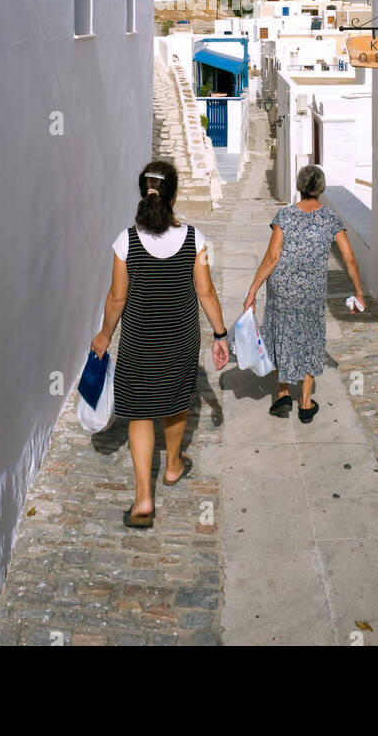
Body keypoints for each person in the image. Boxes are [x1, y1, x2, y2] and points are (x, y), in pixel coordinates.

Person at [91, 160, 229, 528]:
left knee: (138, 413)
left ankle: (143, 500)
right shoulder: (194, 239)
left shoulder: (126, 241)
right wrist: (220, 334)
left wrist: (105, 335)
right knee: (174, 403)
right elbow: (206, 291)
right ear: (175, 194)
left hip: (138, 341)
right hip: (179, 339)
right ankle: (172, 467)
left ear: (143, 193)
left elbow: (117, 297)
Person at [244, 164, 365, 422]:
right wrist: (359, 291)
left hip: (282, 288)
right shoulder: (331, 219)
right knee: (310, 338)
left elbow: (272, 256)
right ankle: (306, 403)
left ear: (299, 186)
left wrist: (252, 290)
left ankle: (283, 394)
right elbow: (349, 258)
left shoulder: (284, 216)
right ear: (320, 188)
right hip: (311, 293)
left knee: (281, 334)